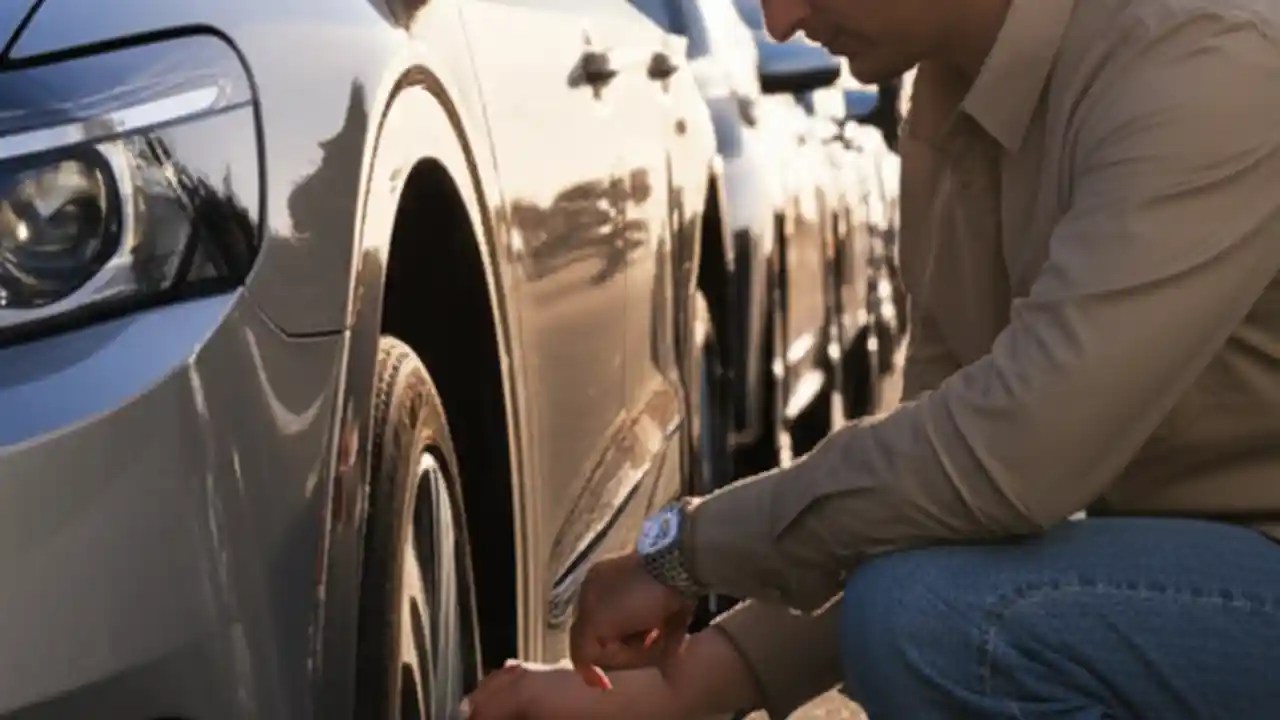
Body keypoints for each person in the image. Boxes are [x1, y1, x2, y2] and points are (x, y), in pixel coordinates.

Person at [463, 0, 1280, 716]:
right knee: (925, 601)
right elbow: (936, 508)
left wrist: (687, 550)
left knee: (943, 623)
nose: (779, 21)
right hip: (1227, 582)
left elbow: (1014, 455)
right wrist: (686, 687)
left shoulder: (1204, 55)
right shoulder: (952, 97)